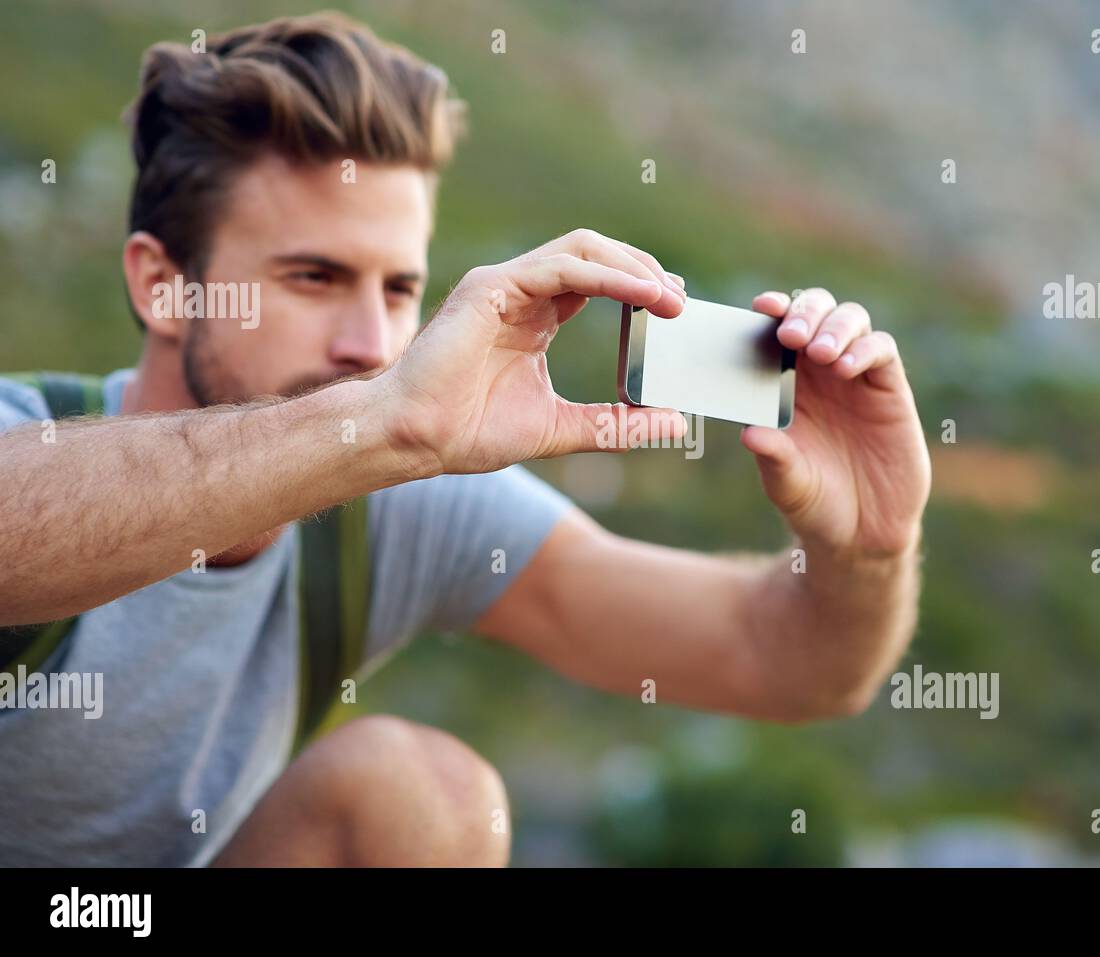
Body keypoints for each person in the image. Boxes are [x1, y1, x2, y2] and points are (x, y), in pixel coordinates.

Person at [0, 12, 931, 867]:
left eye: (399, 289)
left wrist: (867, 547)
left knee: (425, 797)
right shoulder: (28, 441)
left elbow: (779, 660)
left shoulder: (392, 496)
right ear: (162, 284)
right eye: (313, 277)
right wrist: (385, 420)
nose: (369, 342)